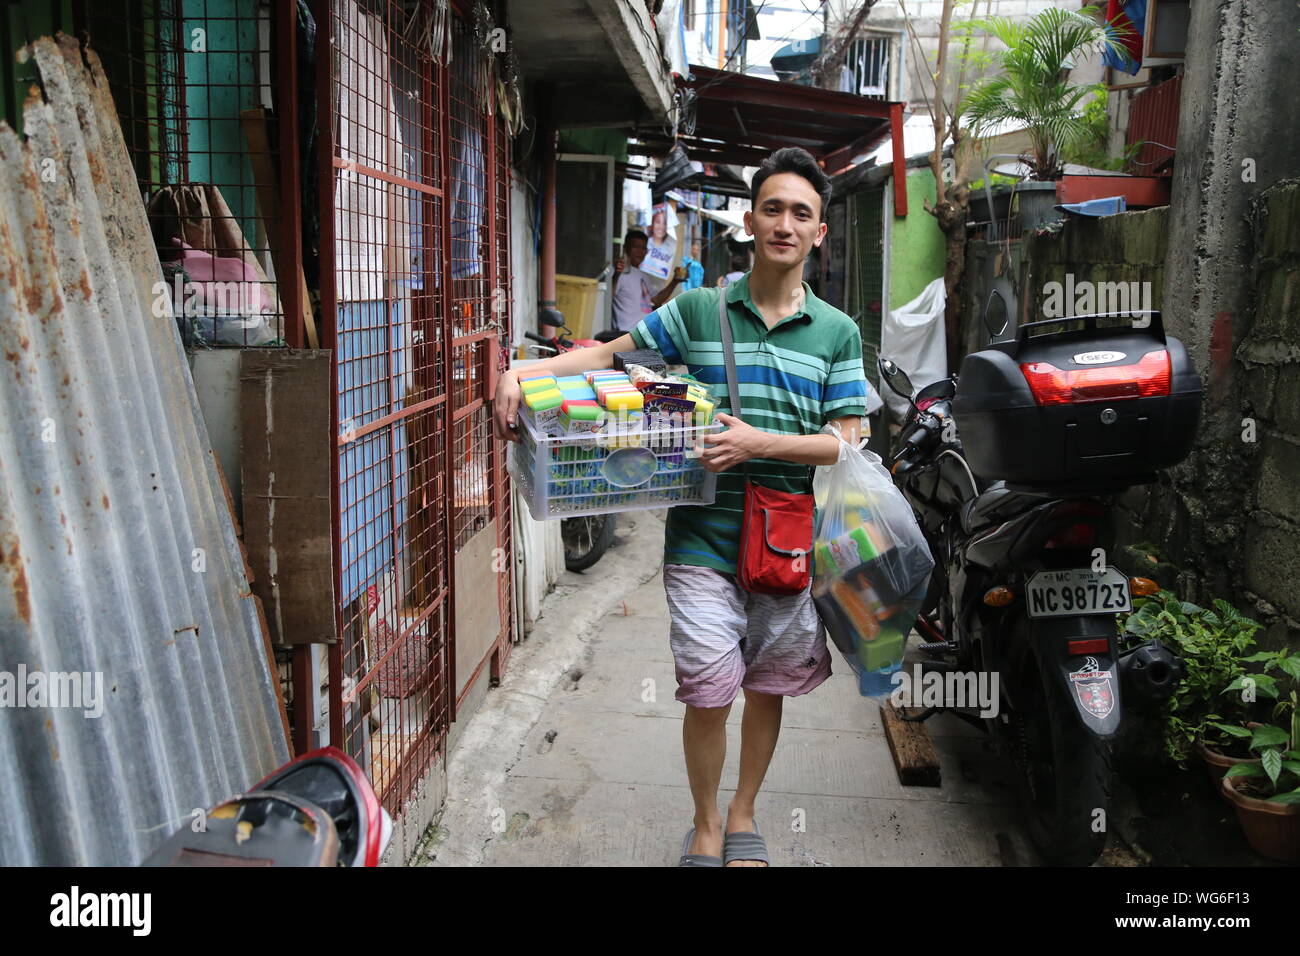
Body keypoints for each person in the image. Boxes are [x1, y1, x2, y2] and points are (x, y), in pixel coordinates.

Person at [493, 147, 874, 867]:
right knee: (708, 686)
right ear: (750, 218)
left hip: (788, 543)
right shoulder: (700, 310)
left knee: (767, 689)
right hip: (702, 534)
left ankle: (743, 814)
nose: (785, 224)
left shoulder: (838, 333)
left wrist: (758, 441)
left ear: (819, 232)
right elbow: (611, 353)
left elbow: (845, 445)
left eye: (801, 213)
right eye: (773, 208)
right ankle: (704, 824)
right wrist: (525, 367)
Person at [611, 228, 683, 332]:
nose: (640, 252)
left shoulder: (643, 275)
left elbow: (656, 300)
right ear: (626, 248)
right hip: (624, 334)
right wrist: (616, 275)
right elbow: (609, 296)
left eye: (644, 248)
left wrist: (674, 281)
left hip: (642, 334)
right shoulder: (619, 272)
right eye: (636, 247)